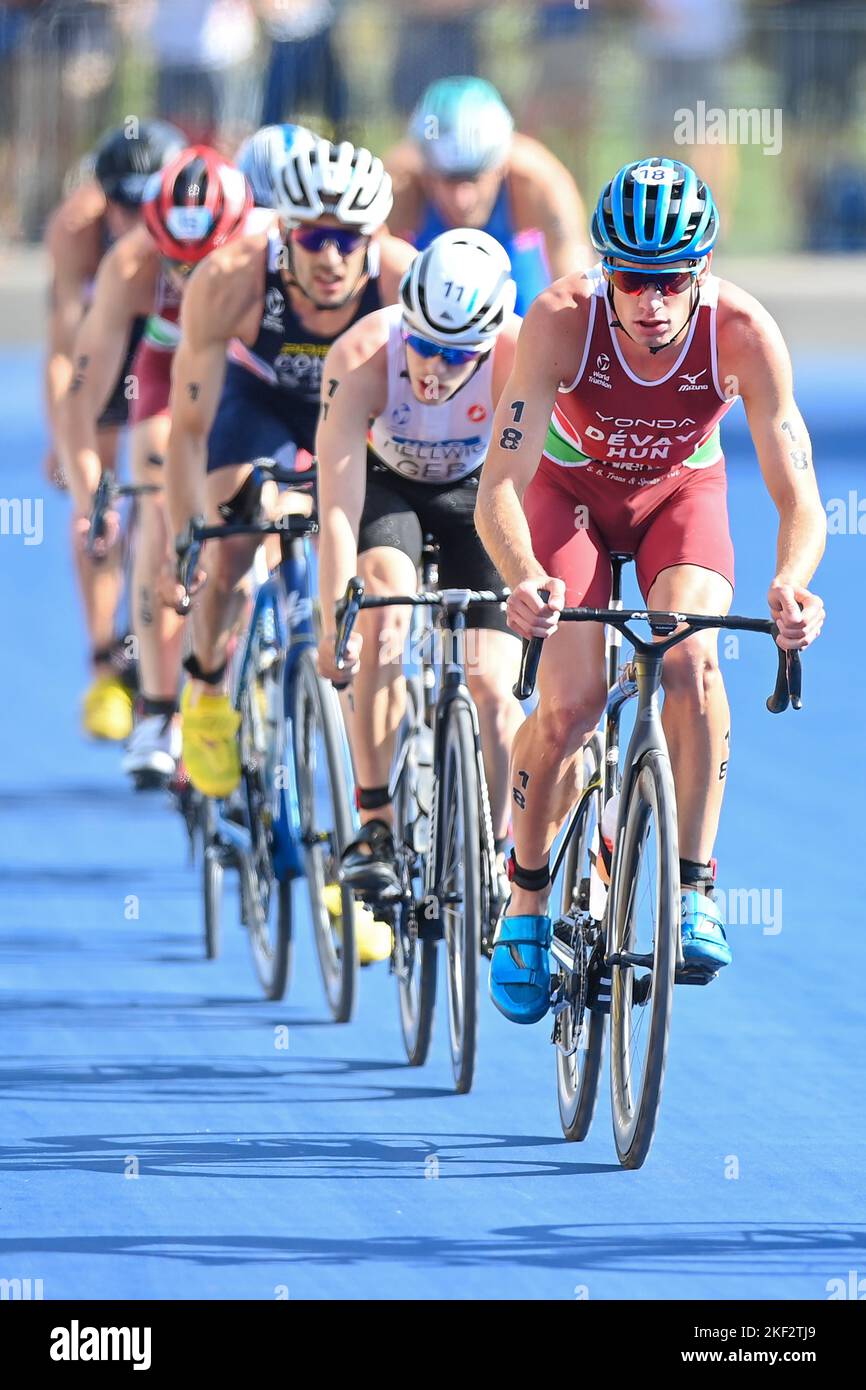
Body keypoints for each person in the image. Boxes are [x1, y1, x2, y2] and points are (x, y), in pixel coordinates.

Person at [475, 157, 826, 1024]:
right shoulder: (557, 321)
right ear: (606, 272)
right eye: (632, 278)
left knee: (693, 663)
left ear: (702, 270)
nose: (652, 302)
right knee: (572, 703)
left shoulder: (743, 331)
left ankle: (693, 885)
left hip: (679, 497)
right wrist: (524, 579)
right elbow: (500, 488)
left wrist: (793, 584)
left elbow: (799, 497)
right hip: (570, 499)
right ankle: (524, 898)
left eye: (672, 279)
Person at [163, 135, 416, 803]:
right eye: (313, 241)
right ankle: (209, 690)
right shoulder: (230, 279)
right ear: (284, 233)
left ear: (375, 235)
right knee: (236, 541)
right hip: (263, 402)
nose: (332, 258)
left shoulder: (402, 278)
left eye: (348, 239)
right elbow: (188, 429)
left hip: (364, 411)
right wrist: (185, 533)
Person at [315, 229, 523, 897]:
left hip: (478, 491)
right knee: (384, 617)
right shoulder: (361, 355)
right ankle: (373, 818)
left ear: (488, 344)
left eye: (456, 354)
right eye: (423, 343)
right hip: (386, 486)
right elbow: (340, 514)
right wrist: (331, 625)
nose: (432, 368)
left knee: (494, 686)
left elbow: (547, 489)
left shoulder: (522, 355)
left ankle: (494, 850)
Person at [61, 146, 254, 784]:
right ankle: (161, 704)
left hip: (250, 375)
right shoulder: (131, 264)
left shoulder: (267, 257)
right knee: (154, 484)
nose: (192, 279)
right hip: (170, 373)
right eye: (179, 262)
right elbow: (81, 398)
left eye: (207, 263)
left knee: (259, 508)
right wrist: (94, 494)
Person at [46, 118, 186, 742]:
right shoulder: (76, 233)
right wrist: (71, 455)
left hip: (180, 334)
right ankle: (104, 664)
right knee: (95, 497)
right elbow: (63, 350)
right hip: (110, 335)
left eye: (145, 202)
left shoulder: (194, 220)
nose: (132, 217)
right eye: (121, 204)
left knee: (166, 478)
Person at [385, 76, 591, 316]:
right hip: (429, 282)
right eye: (449, 181)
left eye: (474, 178)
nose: (463, 199)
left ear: (500, 167)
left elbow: (577, 290)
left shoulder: (536, 182)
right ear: (427, 174)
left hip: (515, 275)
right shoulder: (399, 185)